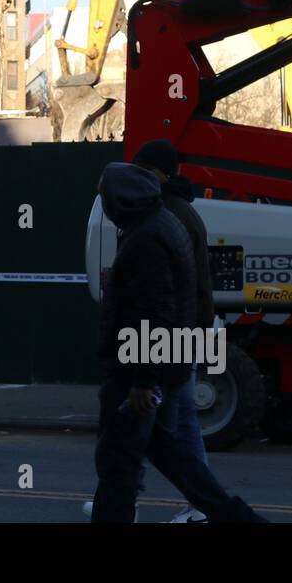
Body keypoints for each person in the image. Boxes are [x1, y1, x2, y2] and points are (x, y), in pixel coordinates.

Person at [89, 161, 264, 523]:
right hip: (165, 362)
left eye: (104, 196)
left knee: (118, 462)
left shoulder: (145, 239)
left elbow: (154, 313)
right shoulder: (165, 222)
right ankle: (238, 518)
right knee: (172, 456)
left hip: (138, 371)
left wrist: (143, 381)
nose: (103, 206)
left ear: (120, 199)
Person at [132, 139, 213, 522]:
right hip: (186, 331)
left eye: (143, 168)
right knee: (181, 423)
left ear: (159, 174)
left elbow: (160, 289)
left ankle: (121, 498)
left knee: (143, 419)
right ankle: (201, 505)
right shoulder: (184, 212)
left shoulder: (164, 215)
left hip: (170, 335)